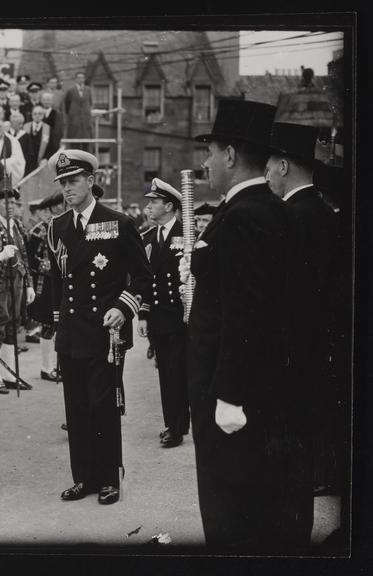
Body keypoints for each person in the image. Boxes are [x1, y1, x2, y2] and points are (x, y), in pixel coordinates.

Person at [186, 99, 301, 550]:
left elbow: (244, 313)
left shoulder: (239, 219)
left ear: (231, 155)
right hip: (266, 393)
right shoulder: (274, 209)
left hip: (232, 402)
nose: (206, 162)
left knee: (232, 518)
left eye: (211, 151)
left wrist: (228, 396)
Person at [46, 149, 151, 505]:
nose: (67, 188)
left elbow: (143, 278)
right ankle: (85, 478)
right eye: (63, 182)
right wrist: (56, 326)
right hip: (72, 334)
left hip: (105, 335)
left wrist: (124, 307)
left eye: (73, 180)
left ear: (91, 181)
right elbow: (59, 284)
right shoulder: (57, 227)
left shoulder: (118, 223)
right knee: (75, 410)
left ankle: (108, 478)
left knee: (101, 406)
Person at [264, 122, 342, 526]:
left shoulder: (294, 216)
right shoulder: (322, 212)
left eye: (268, 168)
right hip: (319, 348)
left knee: (292, 458)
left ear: (282, 166)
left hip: (295, 355)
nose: (266, 176)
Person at [137, 178, 189, 448]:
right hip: (158, 317)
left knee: (177, 371)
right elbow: (145, 281)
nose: (149, 206)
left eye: (154, 202)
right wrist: (143, 314)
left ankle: (177, 426)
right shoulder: (147, 238)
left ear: (169, 206)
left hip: (180, 317)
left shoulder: (187, 235)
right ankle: (174, 423)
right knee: (165, 372)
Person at [0, 188, 35, 394]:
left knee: (13, 327)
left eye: (13, 203)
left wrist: (29, 283)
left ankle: (10, 374)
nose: (10, 207)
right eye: (6, 203)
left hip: (18, 282)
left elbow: (25, 257)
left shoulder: (18, 226)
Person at [26, 193, 64, 382]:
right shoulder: (39, 231)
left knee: (63, 326)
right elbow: (30, 260)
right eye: (58, 205)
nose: (62, 208)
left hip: (64, 283)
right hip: (46, 284)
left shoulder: (67, 225)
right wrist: (45, 265)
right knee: (48, 325)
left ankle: (60, 366)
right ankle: (46, 367)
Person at [63, 72, 92, 150]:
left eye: (82, 78)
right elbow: (66, 105)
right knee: (75, 147)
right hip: (74, 123)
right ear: (75, 79)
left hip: (85, 123)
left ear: (84, 79)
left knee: (86, 147)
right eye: (78, 78)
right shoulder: (70, 91)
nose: (80, 80)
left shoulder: (88, 90)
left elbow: (90, 103)